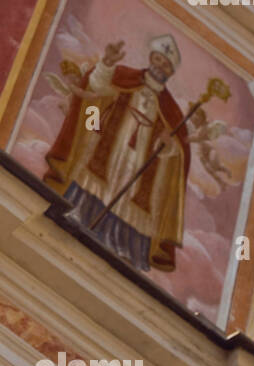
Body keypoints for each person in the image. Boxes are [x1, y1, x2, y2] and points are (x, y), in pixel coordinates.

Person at [44, 34, 190, 271]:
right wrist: (107, 63)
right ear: (151, 58)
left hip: (138, 174)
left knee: (129, 203)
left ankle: (122, 251)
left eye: (166, 65)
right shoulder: (125, 77)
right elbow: (97, 87)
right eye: (158, 59)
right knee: (90, 192)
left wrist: (169, 146)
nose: (160, 67)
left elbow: (179, 155)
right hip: (105, 157)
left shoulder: (171, 111)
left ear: (170, 72)